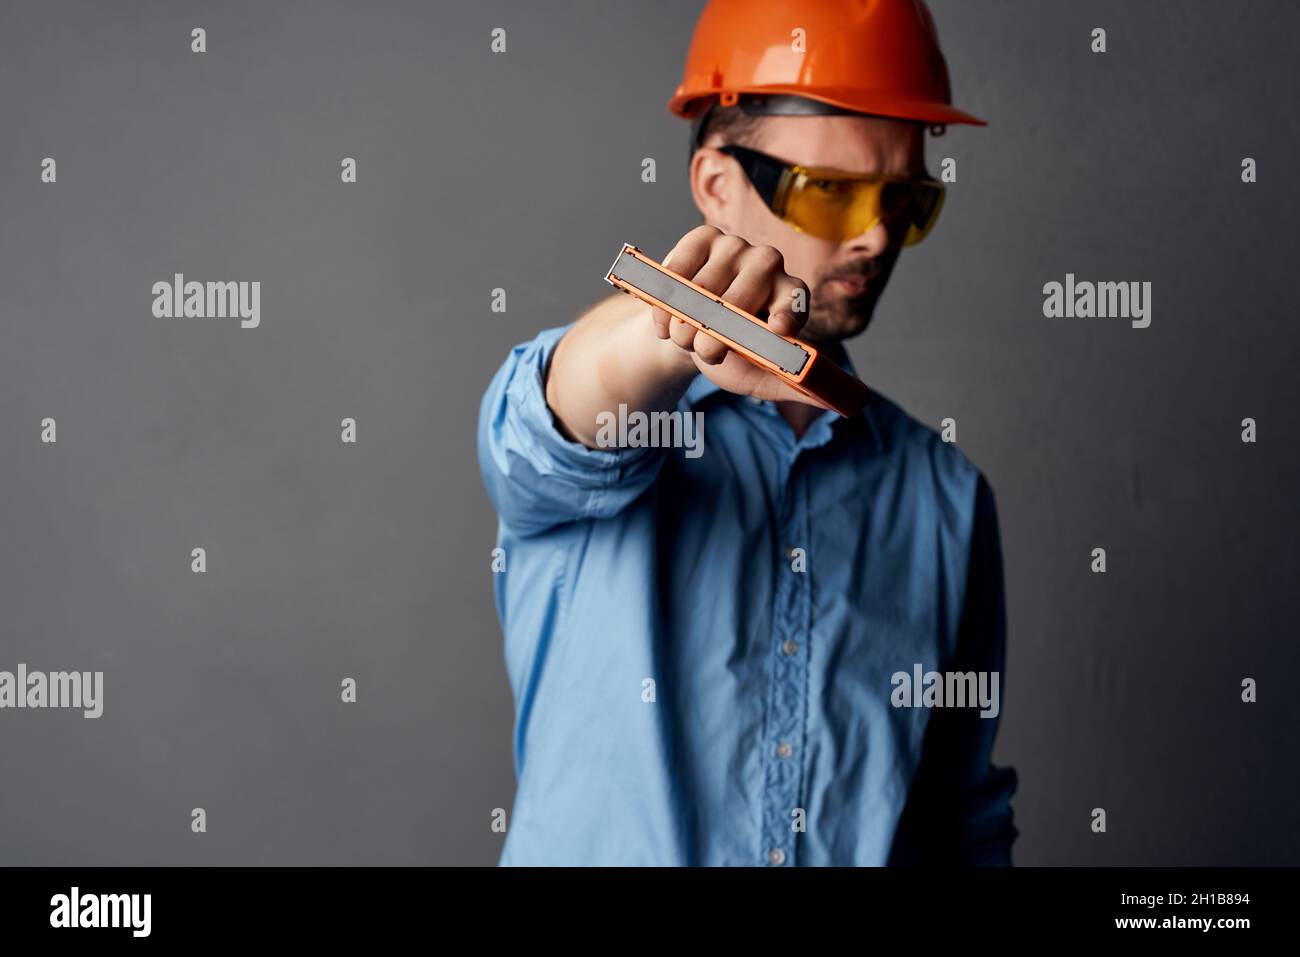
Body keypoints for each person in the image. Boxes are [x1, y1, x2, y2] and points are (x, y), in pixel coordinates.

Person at [477, 0, 1017, 865]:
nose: (877, 236)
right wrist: (668, 325)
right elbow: (547, 426)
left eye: (905, 200)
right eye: (832, 193)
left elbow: (961, 821)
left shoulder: (946, 500)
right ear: (719, 186)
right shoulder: (608, 420)